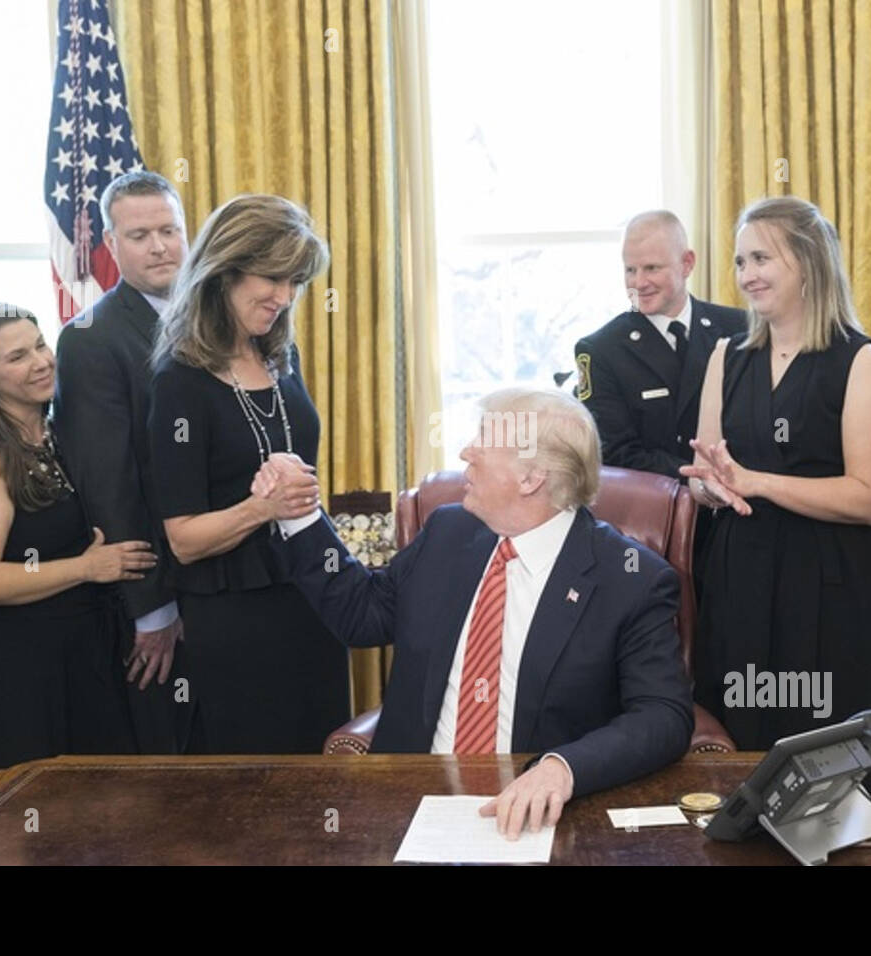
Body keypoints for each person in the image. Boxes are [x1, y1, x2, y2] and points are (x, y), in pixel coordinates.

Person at [264, 387, 693, 837]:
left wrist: (562, 768)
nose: (466, 451)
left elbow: (662, 714)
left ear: (532, 479)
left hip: (533, 817)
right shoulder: (448, 533)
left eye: (483, 440)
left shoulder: (630, 578)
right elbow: (362, 613)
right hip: (409, 801)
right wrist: (300, 515)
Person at [682, 197, 871, 749]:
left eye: (761, 259)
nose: (747, 276)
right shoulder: (726, 355)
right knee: (743, 745)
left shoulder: (863, 361)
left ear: (810, 263)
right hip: (741, 579)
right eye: (741, 262)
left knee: (837, 755)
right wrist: (709, 487)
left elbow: (869, 497)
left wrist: (758, 482)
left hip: (837, 585)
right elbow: (707, 473)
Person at [148, 194, 348, 754]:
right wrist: (264, 508)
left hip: (311, 597)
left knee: (321, 769)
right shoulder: (180, 381)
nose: (284, 298)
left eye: (296, 283)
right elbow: (183, 540)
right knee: (253, 792)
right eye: (272, 278)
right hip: (236, 618)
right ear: (224, 270)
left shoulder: (284, 359)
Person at [0, 306, 145, 798]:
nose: (41, 361)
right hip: (16, 675)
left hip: (80, 656)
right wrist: (87, 568)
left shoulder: (53, 433)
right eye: (17, 356)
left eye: (40, 345)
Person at [54, 171, 191, 754]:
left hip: (229, 581)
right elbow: (106, 481)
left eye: (169, 229)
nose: (159, 245)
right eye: (139, 235)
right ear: (111, 245)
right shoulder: (91, 338)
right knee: (170, 759)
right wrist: (152, 608)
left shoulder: (219, 312)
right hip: (159, 587)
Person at [575, 210, 745, 478]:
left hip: (743, 501)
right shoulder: (601, 350)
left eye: (651, 268)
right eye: (630, 270)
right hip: (661, 510)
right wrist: (702, 475)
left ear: (687, 263)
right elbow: (616, 453)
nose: (639, 283)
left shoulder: (740, 328)